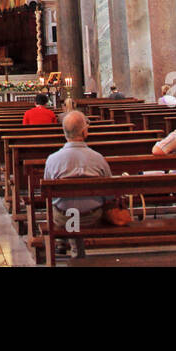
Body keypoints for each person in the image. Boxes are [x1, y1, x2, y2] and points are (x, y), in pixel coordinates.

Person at [44, 110, 112, 256]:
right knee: (77, 211)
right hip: (92, 217)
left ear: (65, 133)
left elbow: (47, 195)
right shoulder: (98, 158)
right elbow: (110, 193)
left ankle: (66, 243)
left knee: (64, 210)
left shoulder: (52, 160)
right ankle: (75, 248)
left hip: (64, 217)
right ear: (84, 132)